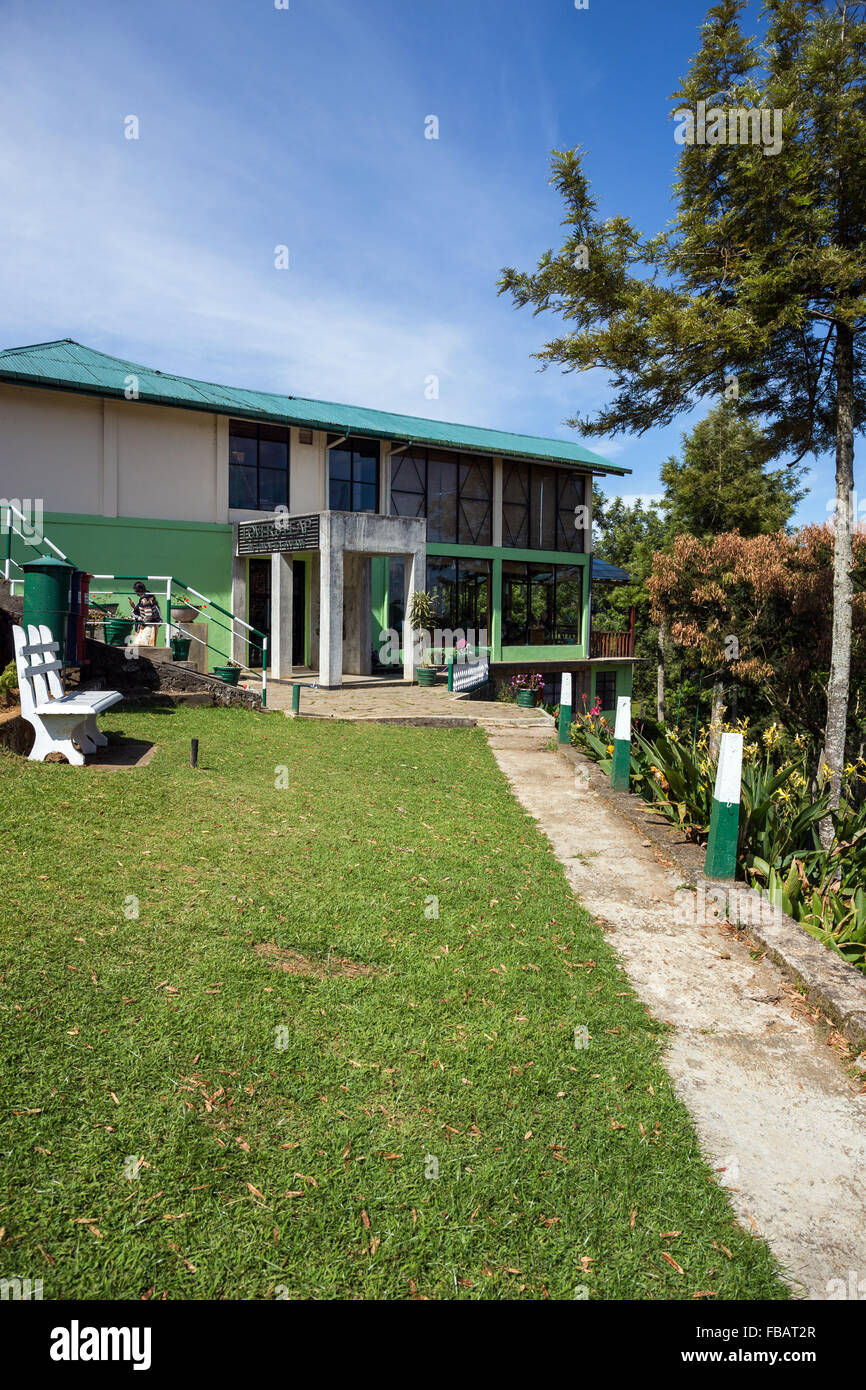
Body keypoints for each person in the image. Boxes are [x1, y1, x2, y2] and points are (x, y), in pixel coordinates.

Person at [129, 581, 162, 647]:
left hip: (151, 623)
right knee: (140, 643)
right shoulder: (144, 598)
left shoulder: (145, 600)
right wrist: (134, 607)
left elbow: (149, 615)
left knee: (143, 644)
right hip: (149, 622)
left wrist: (143, 625)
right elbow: (143, 611)